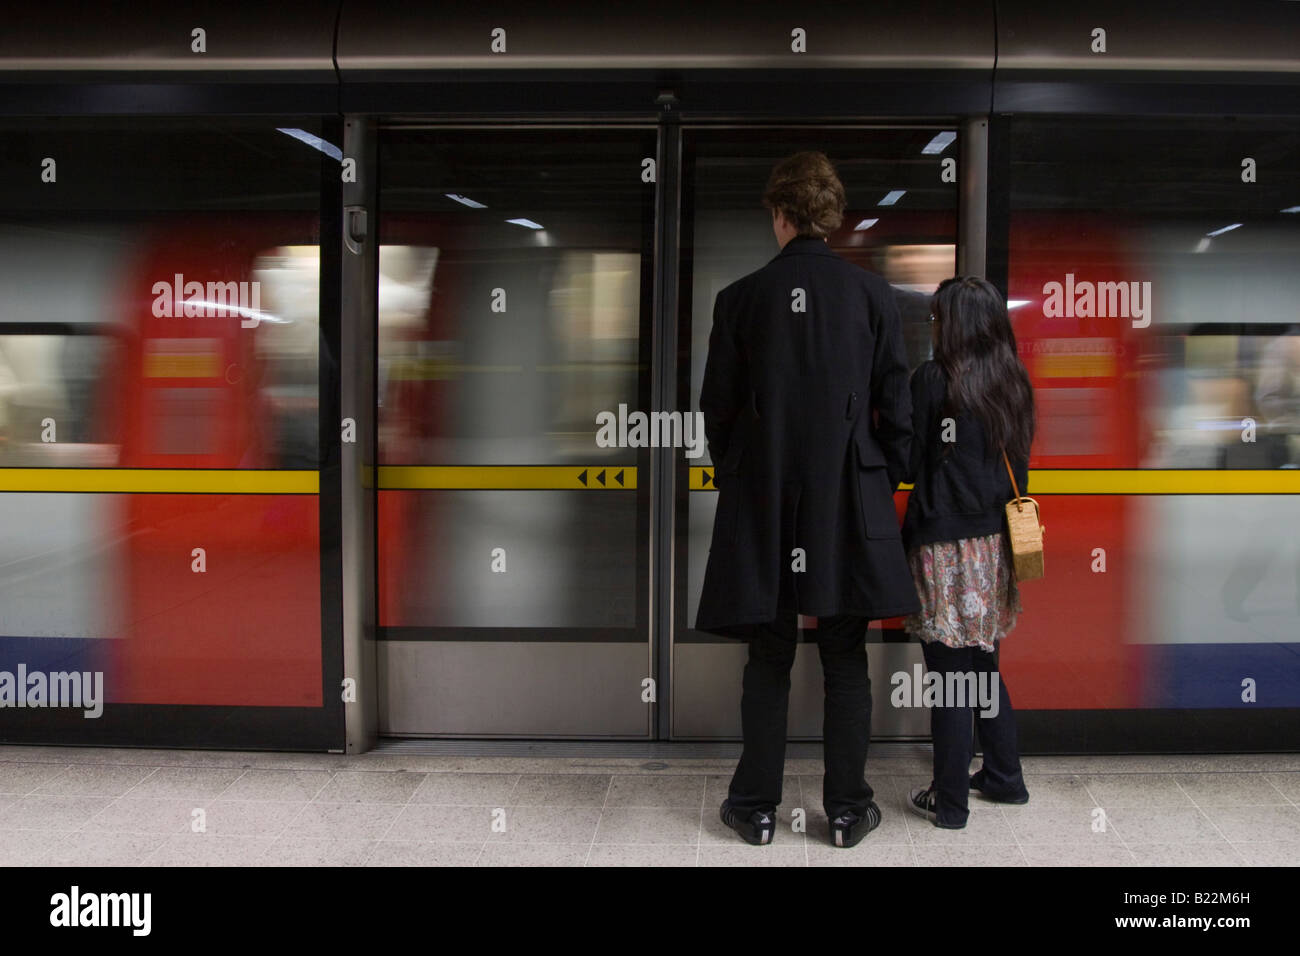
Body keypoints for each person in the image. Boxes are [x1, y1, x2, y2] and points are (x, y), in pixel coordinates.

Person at [695, 151, 920, 848]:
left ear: (781, 214)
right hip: (850, 504)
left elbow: (717, 413)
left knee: (769, 655)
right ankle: (848, 812)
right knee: (846, 656)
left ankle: (756, 808)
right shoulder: (876, 298)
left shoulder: (739, 300)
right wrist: (879, 479)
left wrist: (746, 477)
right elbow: (898, 410)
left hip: (765, 506)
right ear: (828, 215)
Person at [901, 276, 1035, 829]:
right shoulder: (1014, 382)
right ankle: (1004, 777)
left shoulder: (934, 381)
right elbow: (1018, 469)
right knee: (980, 662)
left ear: (953, 324)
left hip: (945, 548)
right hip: (995, 545)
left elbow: (910, 464)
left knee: (949, 674)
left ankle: (950, 802)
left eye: (938, 318)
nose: (934, 326)